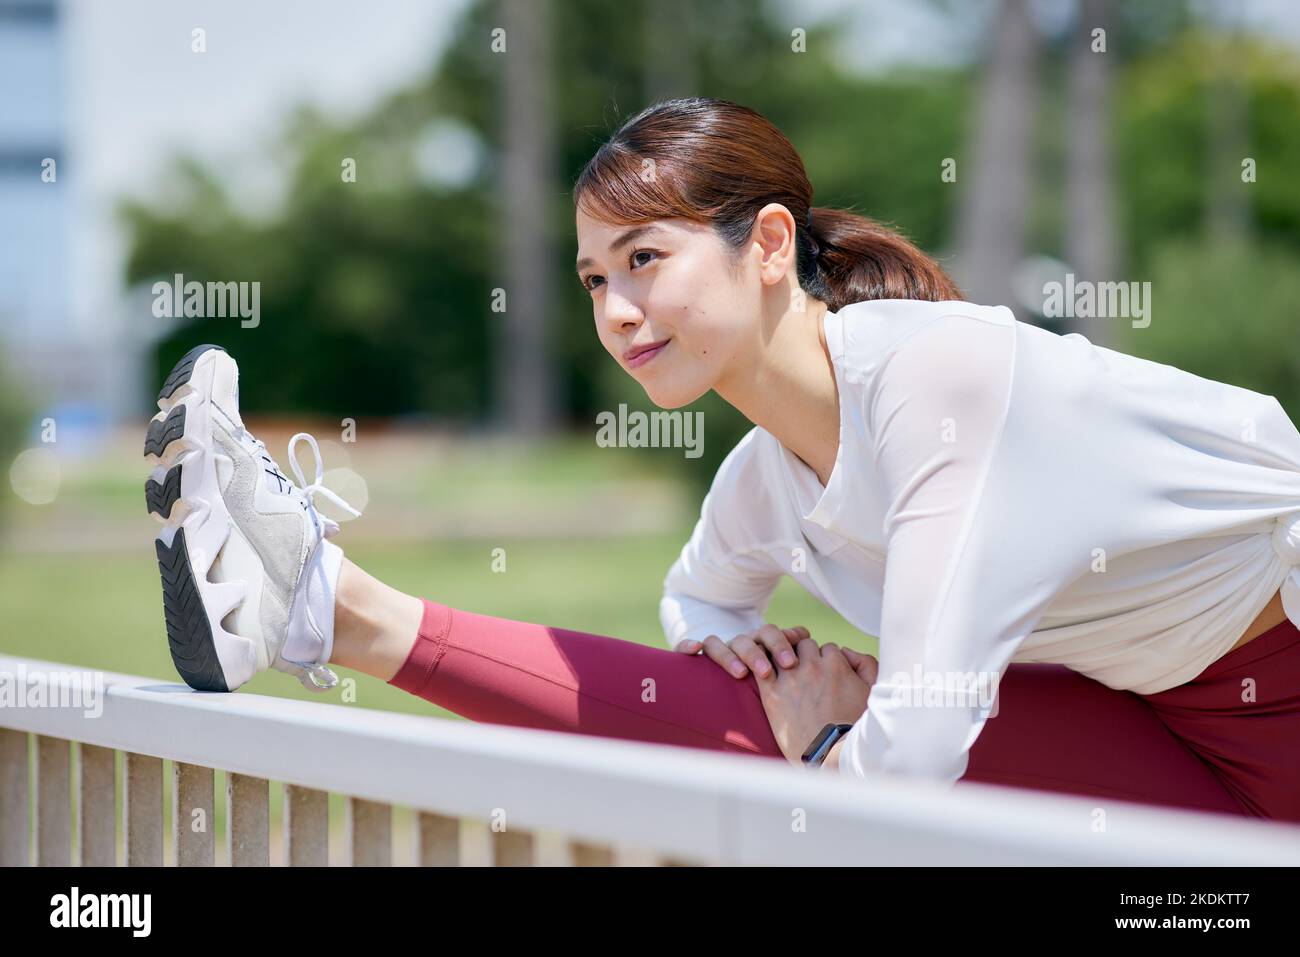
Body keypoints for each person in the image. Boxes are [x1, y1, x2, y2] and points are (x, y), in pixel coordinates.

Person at [143, 97, 1300, 823]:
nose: (616, 307)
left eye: (645, 258)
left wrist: (829, 736)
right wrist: (728, 649)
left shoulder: (935, 382)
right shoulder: (762, 475)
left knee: (831, 739)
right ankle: (317, 607)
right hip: (1174, 736)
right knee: (773, 705)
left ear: (770, 247)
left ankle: (323, 605)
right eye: (596, 277)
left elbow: (915, 752)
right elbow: (699, 593)